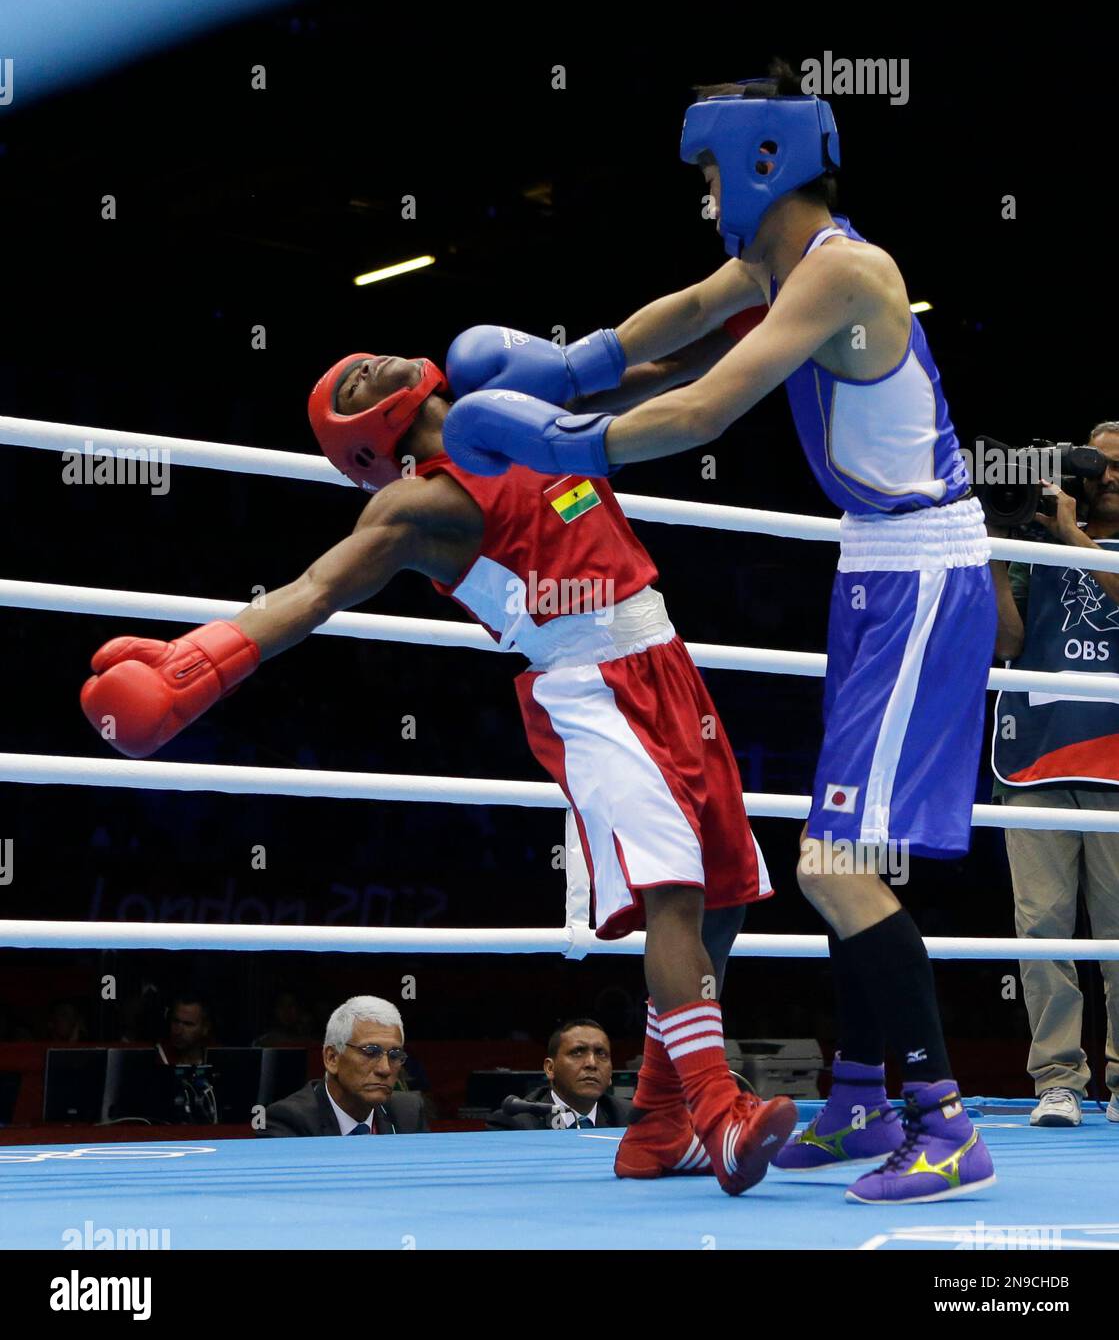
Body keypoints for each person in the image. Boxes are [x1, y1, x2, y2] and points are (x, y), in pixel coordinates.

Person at [440, 63, 998, 1203]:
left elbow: (702, 405)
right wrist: (573, 370)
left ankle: (943, 1123)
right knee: (852, 853)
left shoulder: (847, 272)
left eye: (708, 171)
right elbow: (683, 324)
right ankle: (856, 1097)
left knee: (835, 868)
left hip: (925, 570)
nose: (702, 196)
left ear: (762, 159)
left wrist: (555, 438)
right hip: (878, 572)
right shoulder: (777, 262)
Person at [79, 348, 791, 1195]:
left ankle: (657, 1122)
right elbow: (312, 590)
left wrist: (756, 315)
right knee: (672, 891)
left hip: (665, 657)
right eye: (344, 386)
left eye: (362, 362)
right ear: (365, 446)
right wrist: (190, 667)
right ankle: (718, 1113)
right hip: (589, 683)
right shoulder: (418, 507)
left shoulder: (515, 403)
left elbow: (646, 370)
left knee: (724, 897)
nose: (362, 366)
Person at [990, 421, 1119, 1127]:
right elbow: (1005, 641)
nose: (1108, 476)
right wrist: (992, 550)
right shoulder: (1032, 543)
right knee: (1040, 929)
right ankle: (1057, 1081)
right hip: (1036, 754)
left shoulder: (1068, 538)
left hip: (1116, 761)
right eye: (1096, 464)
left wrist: (1073, 537)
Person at [256, 996, 427, 1137]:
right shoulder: (289, 1120)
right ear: (332, 1058)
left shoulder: (408, 1112)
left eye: (394, 1055)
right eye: (370, 1052)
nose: (385, 1069)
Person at [486, 1019, 633, 1130]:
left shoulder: (632, 1118)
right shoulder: (515, 1124)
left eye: (601, 1054)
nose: (592, 1063)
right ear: (550, 1068)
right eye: (577, 1052)